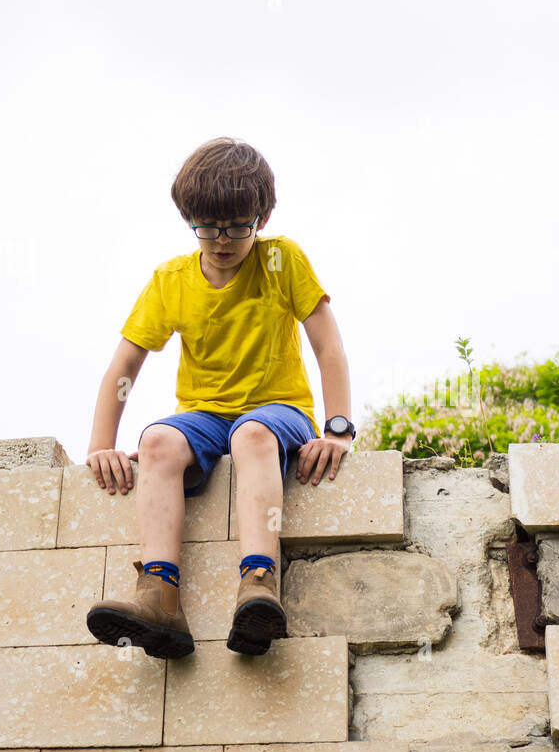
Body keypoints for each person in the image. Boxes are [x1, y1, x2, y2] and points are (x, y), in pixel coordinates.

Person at [83, 137, 355, 659]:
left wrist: (337, 430)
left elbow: (328, 346)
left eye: (237, 227)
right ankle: (160, 597)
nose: (221, 241)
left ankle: (257, 585)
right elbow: (124, 366)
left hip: (278, 410)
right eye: (206, 227)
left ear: (264, 216)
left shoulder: (282, 259)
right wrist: (101, 444)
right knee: (158, 440)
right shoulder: (171, 280)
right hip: (204, 414)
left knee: (251, 434)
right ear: (187, 218)